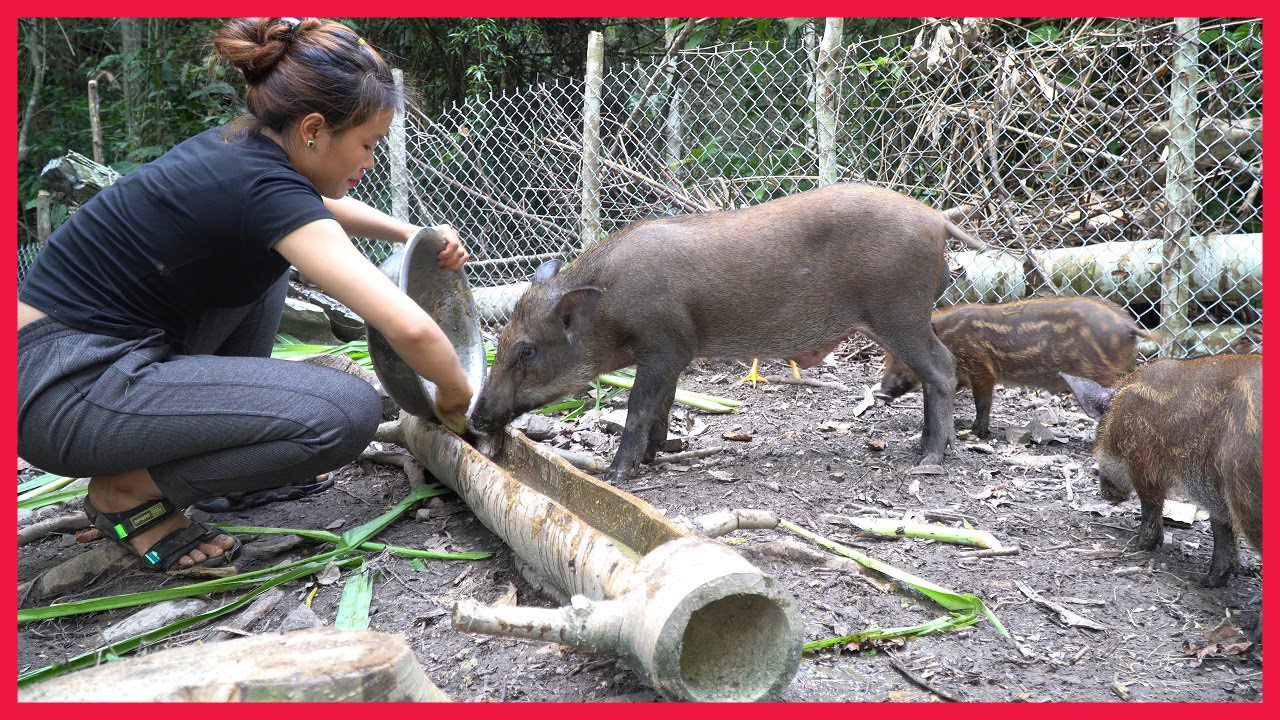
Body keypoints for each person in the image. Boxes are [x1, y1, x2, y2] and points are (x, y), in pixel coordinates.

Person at [16, 17, 473, 572]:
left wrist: (412, 236)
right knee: (341, 413)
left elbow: (318, 212)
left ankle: (222, 480)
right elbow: (412, 329)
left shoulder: (248, 149)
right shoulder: (259, 183)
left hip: (86, 359)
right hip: (62, 390)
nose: (369, 161)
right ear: (312, 129)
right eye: (366, 144)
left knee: (271, 262)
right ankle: (127, 493)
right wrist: (454, 395)